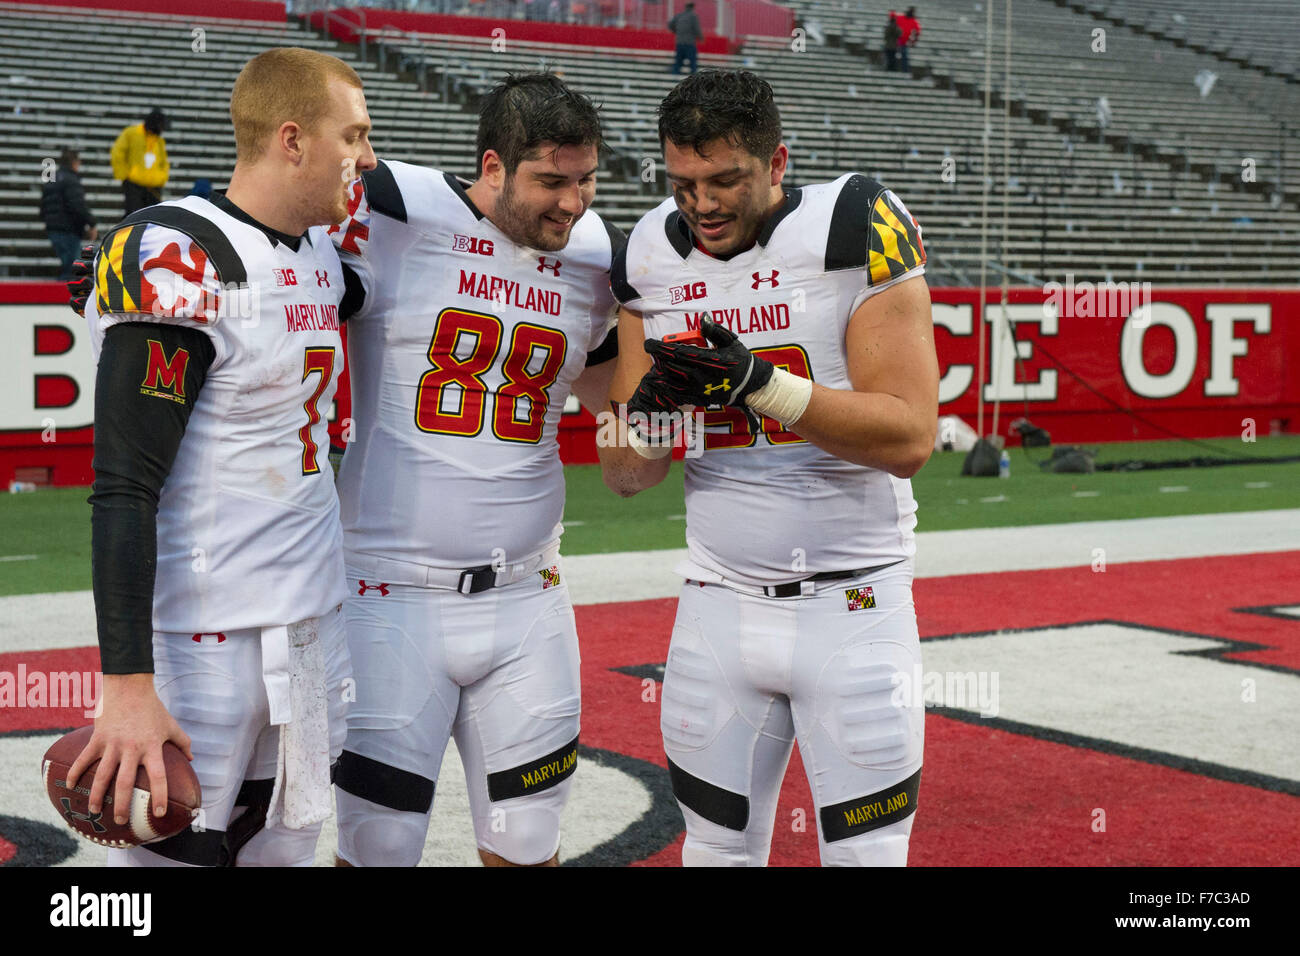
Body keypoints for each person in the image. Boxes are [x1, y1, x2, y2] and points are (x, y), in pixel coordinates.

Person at [601, 70, 938, 866]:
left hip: (854, 604)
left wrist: (762, 385)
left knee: (867, 861)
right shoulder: (650, 250)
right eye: (684, 183)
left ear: (777, 162)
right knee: (713, 853)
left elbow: (909, 436)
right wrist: (652, 409)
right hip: (717, 603)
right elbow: (622, 475)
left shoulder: (855, 222)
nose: (703, 204)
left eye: (726, 180)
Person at [65, 47, 378, 867]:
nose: (369, 160)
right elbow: (124, 486)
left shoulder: (317, 252)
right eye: (355, 135)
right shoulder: (184, 255)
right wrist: (127, 685)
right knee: (171, 866)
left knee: (283, 854)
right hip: (204, 637)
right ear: (292, 140)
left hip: (310, 629)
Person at [326, 73, 622, 867]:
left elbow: (613, 400)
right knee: (377, 847)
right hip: (388, 595)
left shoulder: (595, 257)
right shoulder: (393, 209)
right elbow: (264, 225)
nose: (573, 203)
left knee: (530, 845)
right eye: (552, 181)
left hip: (531, 597)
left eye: (587, 179)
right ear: (492, 167)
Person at [40, 148, 96, 280]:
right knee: (72, 270)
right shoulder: (71, 180)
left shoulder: (52, 179)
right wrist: (91, 223)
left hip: (54, 229)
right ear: (75, 162)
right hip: (68, 230)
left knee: (68, 267)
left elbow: (43, 207)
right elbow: (77, 206)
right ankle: (65, 299)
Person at [111, 108, 170, 215]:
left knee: (153, 218)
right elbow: (118, 153)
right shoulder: (131, 133)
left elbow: (164, 162)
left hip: (153, 186)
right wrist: (125, 175)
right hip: (134, 185)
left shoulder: (159, 141)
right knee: (133, 216)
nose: (162, 130)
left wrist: (162, 177)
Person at [669, 2, 702, 75]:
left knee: (678, 63)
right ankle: (694, 80)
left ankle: (674, 78)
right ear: (693, 7)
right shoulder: (693, 16)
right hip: (689, 43)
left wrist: (676, 31)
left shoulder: (679, 15)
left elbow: (670, 25)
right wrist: (700, 38)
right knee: (693, 63)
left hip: (680, 42)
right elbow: (697, 29)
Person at [896, 6, 921, 74]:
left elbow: (918, 32)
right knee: (895, 55)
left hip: (904, 42)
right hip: (897, 40)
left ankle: (904, 71)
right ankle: (895, 70)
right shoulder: (900, 17)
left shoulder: (914, 21)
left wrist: (913, 42)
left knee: (904, 57)